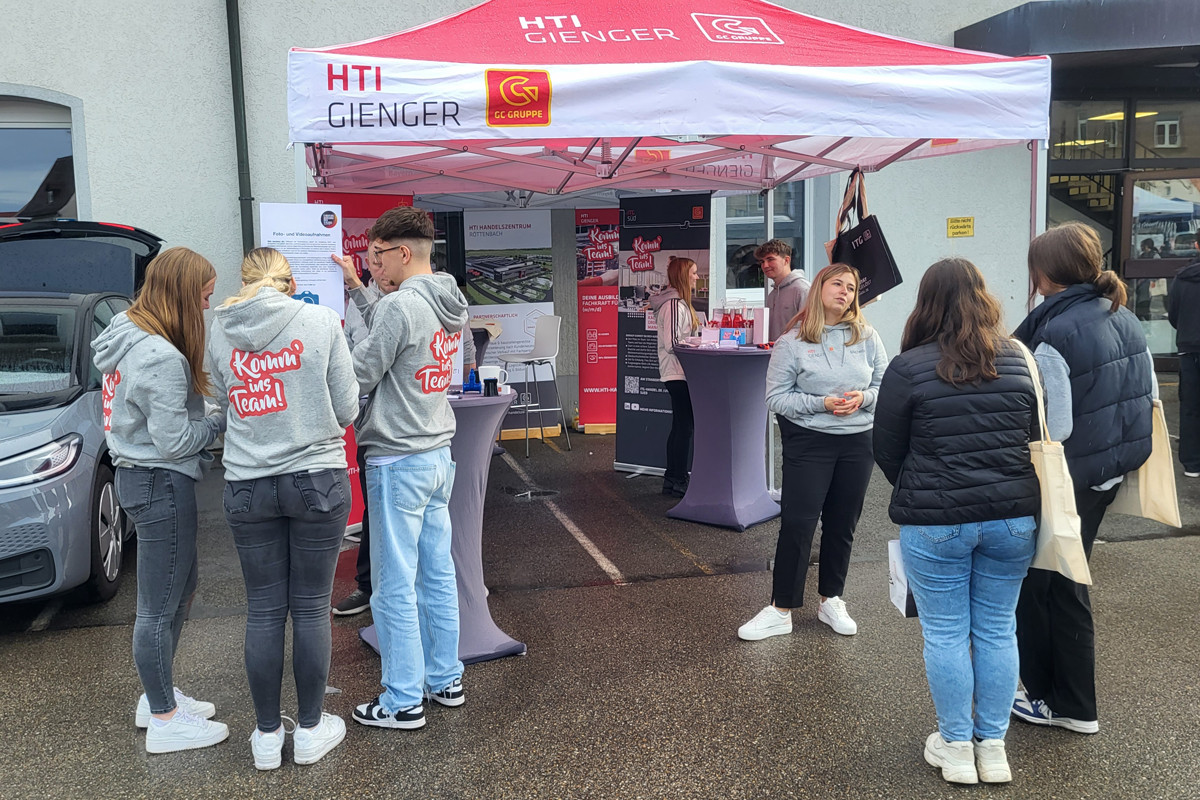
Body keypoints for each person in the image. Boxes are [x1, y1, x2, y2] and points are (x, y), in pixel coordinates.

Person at [874, 258, 1040, 785]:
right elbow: (1038, 432)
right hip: (1013, 517)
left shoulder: (909, 366)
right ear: (983, 297)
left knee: (945, 633)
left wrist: (922, 483)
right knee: (997, 629)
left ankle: (955, 746)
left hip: (936, 520)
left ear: (926, 303)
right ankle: (992, 748)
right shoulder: (1018, 356)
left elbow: (887, 450)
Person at [207, 247, 360, 769]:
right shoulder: (320, 321)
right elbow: (346, 408)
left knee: (265, 608)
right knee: (313, 605)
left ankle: (267, 737)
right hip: (317, 478)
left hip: (248, 483)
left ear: (244, 280)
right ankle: (313, 729)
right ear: (290, 283)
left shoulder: (219, 329)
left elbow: (220, 404)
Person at [1012, 221, 1155, 736]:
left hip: (1067, 479)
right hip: (1107, 471)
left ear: (1046, 272)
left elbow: (1058, 426)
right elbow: (1149, 395)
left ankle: (1064, 702)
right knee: (1065, 579)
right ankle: (1066, 699)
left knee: (1048, 587)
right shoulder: (1125, 314)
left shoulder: (1053, 330)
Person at [91, 247, 228, 754]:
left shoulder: (128, 335)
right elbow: (174, 441)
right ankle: (166, 720)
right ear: (183, 296)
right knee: (158, 603)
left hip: (140, 477)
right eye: (206, 297)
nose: (209, 308)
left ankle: (159, 697)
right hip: (160, 481)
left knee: (176, 588)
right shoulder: (161, 356)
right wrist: (218, 418)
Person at [346, 206, 470, 731]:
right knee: (438, 576)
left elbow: (361, 370)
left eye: (378, 256)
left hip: (397, 456)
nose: (375, 266)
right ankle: (445, 679)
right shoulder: (447, 299)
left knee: (394, 585)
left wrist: (333, 342)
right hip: (437, 453)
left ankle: (401, 701)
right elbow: (400, 340)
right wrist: (359, 291)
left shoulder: (401, 306)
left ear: (401, 252)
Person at [740, 263, 886, 641]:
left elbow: (887, 386)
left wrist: (865, 397)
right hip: (809, 441)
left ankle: (831, 599)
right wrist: (821, 403)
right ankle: (781, 608)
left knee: (842, 524)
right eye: (837, 284)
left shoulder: (867, 337)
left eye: (852, 287)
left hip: (858, 441)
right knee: (799, 523)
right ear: (819, 288)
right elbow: (775, 398)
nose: (845, 292)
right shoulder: (792, 342)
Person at [650, 256, 700, 497]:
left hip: (678, 372)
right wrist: (698, 344)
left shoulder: (677, 304)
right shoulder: (672, 305)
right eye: (694, 273)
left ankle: (672, 478)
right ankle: (678, 478)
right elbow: (672, 344)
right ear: (683, 275)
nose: (697, 278)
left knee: (681, 426)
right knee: (685, 428)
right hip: (677, 372)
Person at [1167, 235, 1200, 478]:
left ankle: (1191, 463)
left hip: (1189, 347)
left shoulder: (1182, 277)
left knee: (1190, 405)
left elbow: (1173, 316)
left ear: (1196, 245)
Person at [757, 239, 810, 341]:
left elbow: (809, 329)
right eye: (762, 261)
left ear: (786, 260)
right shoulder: (772, 294)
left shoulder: (803, 289)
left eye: (770, 259)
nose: (765, 265)